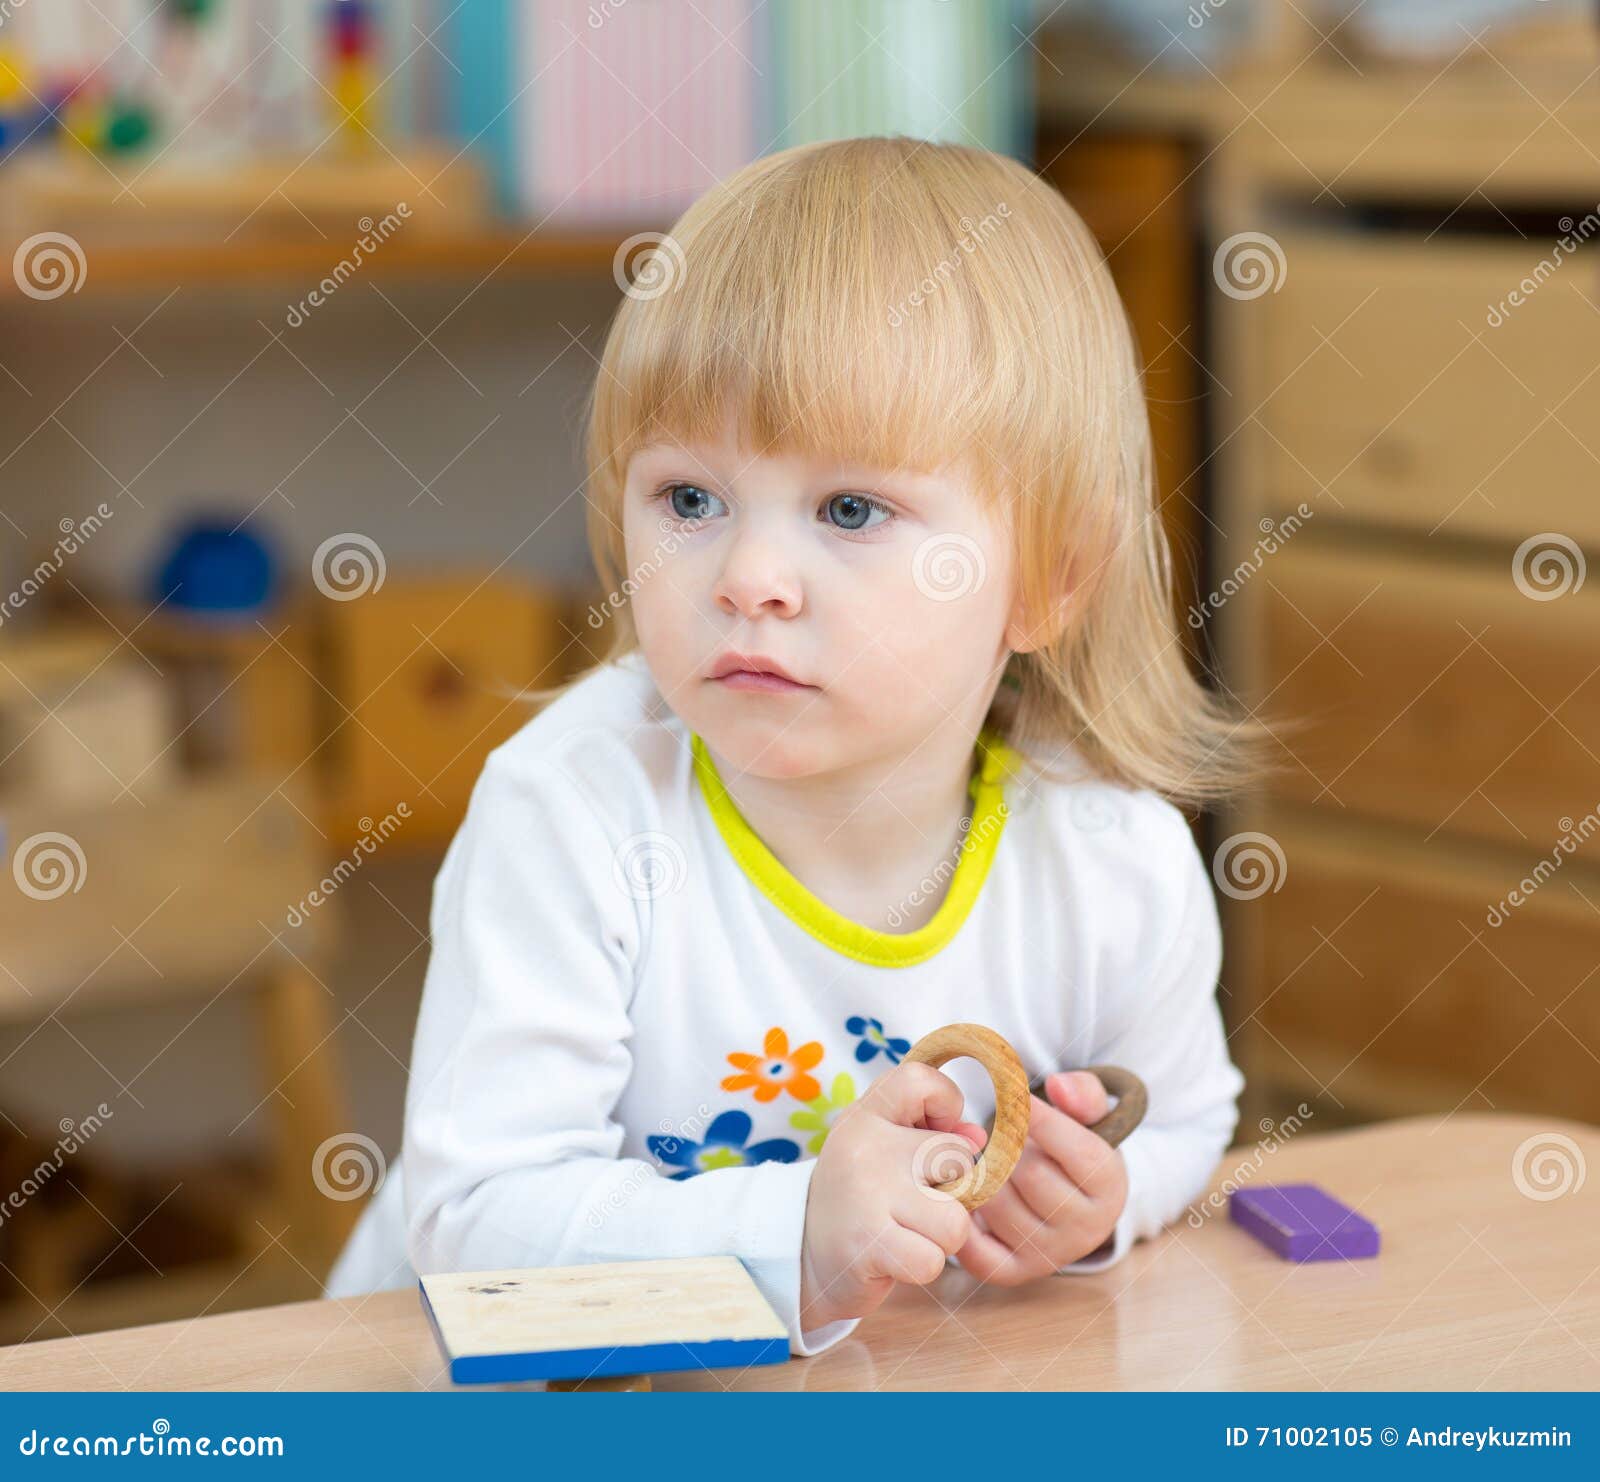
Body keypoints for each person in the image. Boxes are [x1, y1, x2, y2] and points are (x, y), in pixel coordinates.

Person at [326, 135, 1275, 1357]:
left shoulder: (1108, 852)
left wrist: (1097, 1209)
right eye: (688, 499)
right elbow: (473, 1231)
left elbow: (1189, 1118)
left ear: (1050, 576)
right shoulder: (571, 814)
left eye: (849, 510)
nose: (749, 577)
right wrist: (798, 1232)